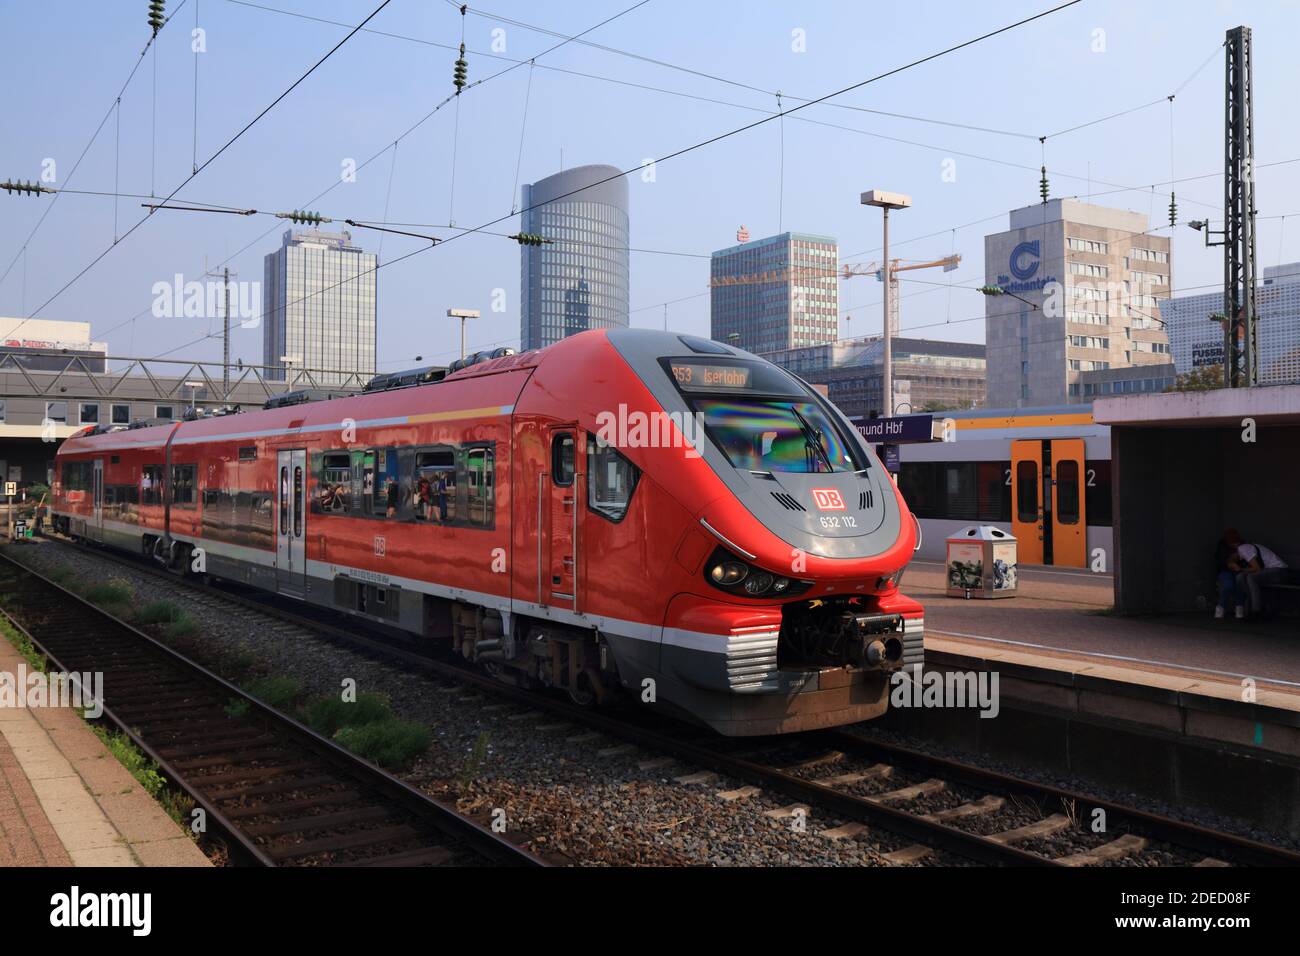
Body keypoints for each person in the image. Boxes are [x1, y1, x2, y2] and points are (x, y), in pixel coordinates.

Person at [1229, 530, 1290, 618]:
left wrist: (1240, 568)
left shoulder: (1243, 548)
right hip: (1270, 571)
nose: (1234, 560)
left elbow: (1257, 568)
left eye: (1232, 558)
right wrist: (1240, 570)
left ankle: (1256, 610)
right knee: (1240, 577)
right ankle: (1259, 602)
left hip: (1279, 571)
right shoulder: (1244, 552)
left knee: (1251, 577)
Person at [1214, 529, 1245, 619]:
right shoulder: (1222, 546)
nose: (1235, 545)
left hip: (1239, 570)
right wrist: (1229, 563)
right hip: (1225, 570)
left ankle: (1239, 607)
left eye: (1236, 542)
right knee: (1228, 585)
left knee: (1240, 584)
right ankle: (1221, 607)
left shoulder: (1243, 545)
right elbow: (1220, 560)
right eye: (1233, 543)